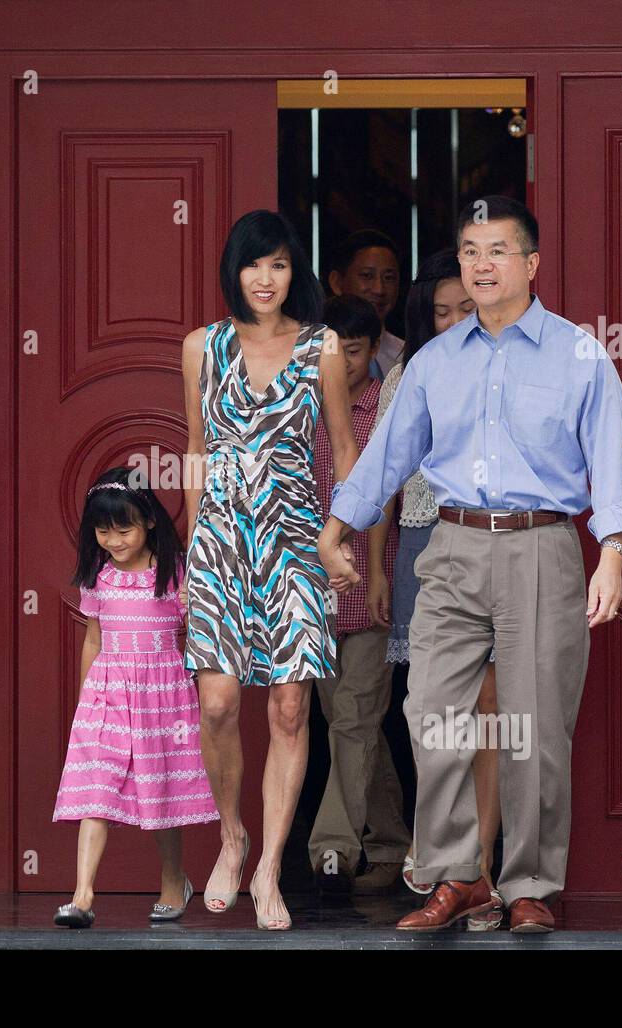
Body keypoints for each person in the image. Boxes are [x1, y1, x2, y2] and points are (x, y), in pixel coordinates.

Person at [319, 196, 622, 934]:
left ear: (531, 263)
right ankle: (461, 874)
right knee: (429, 710)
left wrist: (613, 552)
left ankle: (530, 882)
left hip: (542, 543)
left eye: (498, 250)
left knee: (535, 722)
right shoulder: (435, 362)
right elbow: (387, 457)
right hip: (454, 546)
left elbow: (612, 461)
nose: (482, 264)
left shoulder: (578, 353)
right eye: (470, 250)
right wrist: (339, 523)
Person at [182, 210, 359, 930]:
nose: (266, 278)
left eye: (280, 265)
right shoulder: (201, 347)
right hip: (221, 542)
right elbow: (195, 448)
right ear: (235, 270)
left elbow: (346, 450)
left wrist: (339, 537)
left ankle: (268, 868)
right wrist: (193, 547)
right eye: (254, 264)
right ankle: (232, 834)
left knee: (290, 707)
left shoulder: (322, 348)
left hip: (293, 541)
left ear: (296, 274)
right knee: (219, 703)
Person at [368, 248, 500, 913]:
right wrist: (374, 568)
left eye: (465, 308)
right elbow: (382, 482)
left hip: (504, 546)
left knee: (491, 712)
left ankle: (480, 871)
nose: (453, 321)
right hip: (424, 544)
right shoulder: (408, 378)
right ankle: (443, 852)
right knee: (433, 713)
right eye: (441, 311)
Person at [52, 466, 219, 928]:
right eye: (103, 530)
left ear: (148, 520)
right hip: (108, 694)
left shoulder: (175, 572)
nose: (113, 539)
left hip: (163, 696)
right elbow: (93, 639)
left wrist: (195, 605)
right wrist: (88, 697)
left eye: (123, 528)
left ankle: (173, 879)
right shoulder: (98, 577)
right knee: (95, 791)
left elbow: (201, 636)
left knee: (159, 792)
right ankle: (82, 896)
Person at [306, 293, 408, 896]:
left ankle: (331, 848)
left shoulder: (382, 412)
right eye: (333, 348)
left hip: (372, 584)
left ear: (374, 352)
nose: (341, 361)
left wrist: (375, 574)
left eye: (354, 350)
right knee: (349, 722)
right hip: (313, 591)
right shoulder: (303, 411)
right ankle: (391, 841)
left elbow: (383, 505)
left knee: (355, 716)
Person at [326, 229, 405, 379]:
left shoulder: (409, 357)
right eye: (367, 276)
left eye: (389, 278)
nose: (379, 289)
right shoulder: (312, 352)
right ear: (337, 282)